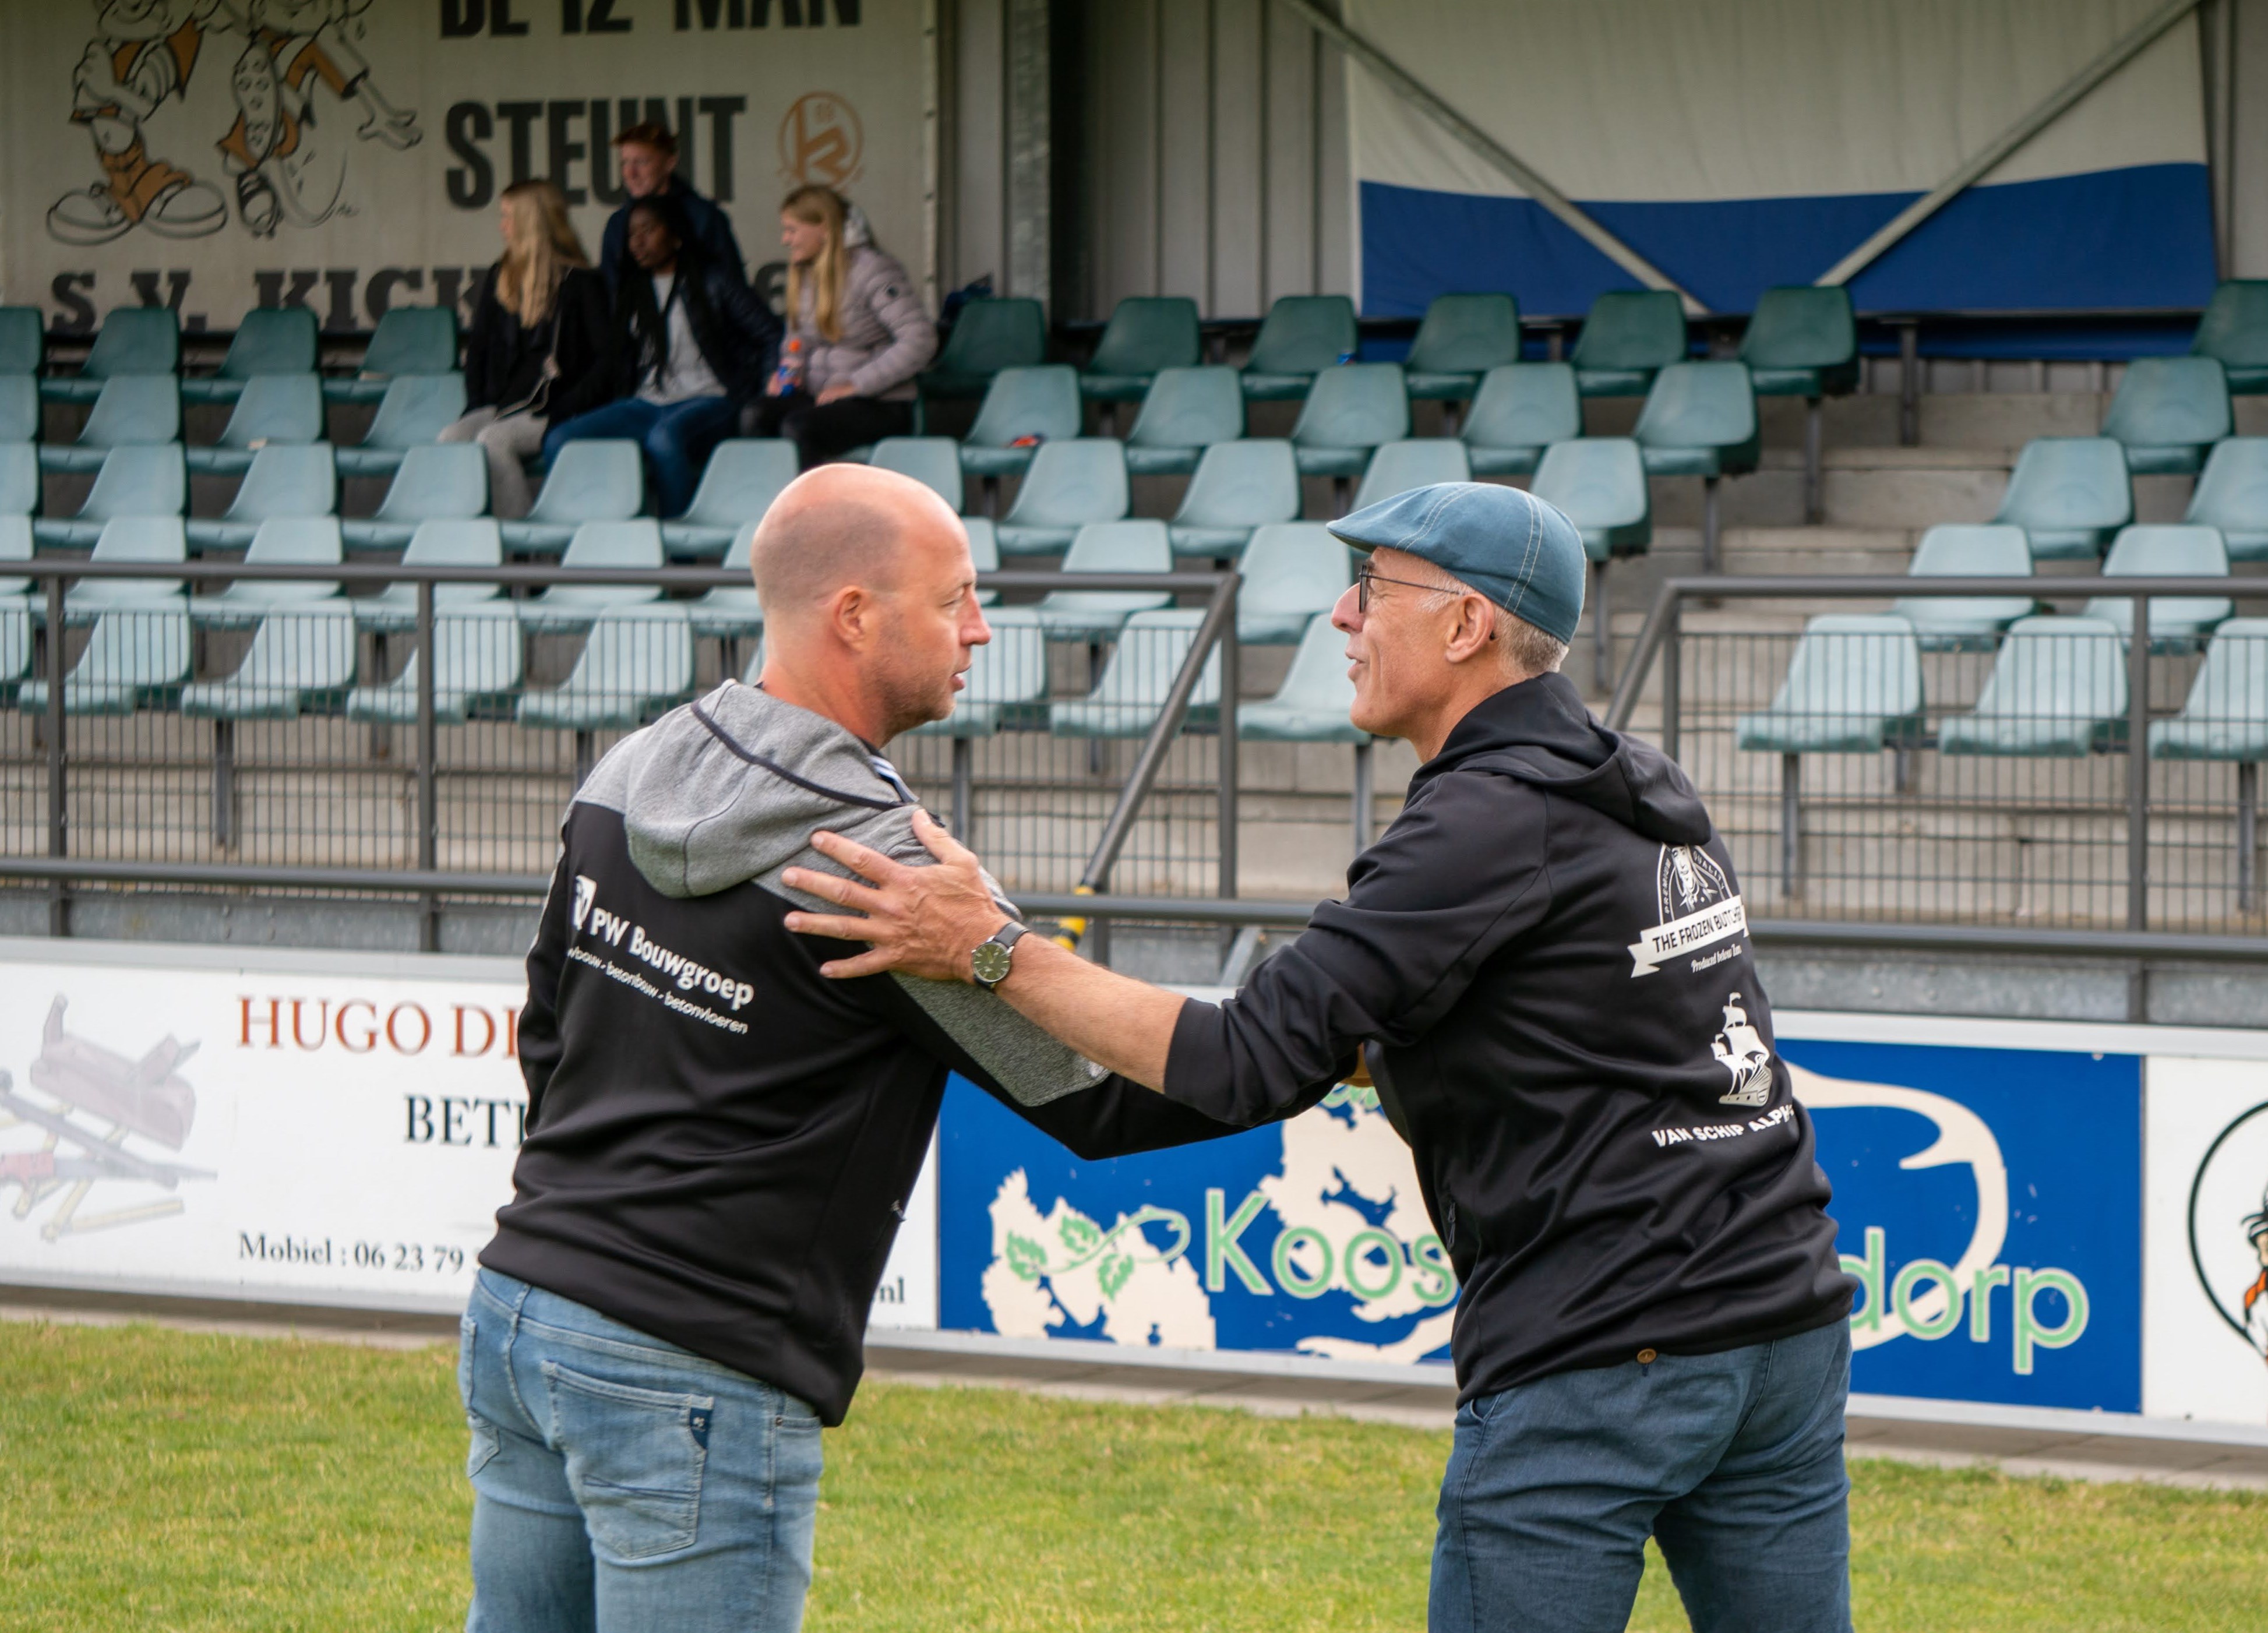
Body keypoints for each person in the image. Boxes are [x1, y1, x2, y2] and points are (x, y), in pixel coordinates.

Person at [782, 482, 1861, 1633]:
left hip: (1607, 1343)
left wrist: (985, 949)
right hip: (1780, 1329)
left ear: (1465, 627)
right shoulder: (1625, 782)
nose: (1340, 620)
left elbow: (1247, 1059)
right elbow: (1527, 1032)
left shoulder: (1481, 823)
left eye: (1371, 590)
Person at [459, 464, 1260, 1633]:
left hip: (520, 1310)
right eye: (955, 600)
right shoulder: (877, 872)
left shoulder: (625, 769)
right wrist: (1315, 1032)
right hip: (693, 1362)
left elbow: (545, 1034)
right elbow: (1098, 1101)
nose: (980, 631)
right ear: (853, 615)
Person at [541, 193, 779, 518]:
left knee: (664, 439)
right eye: (631, 235)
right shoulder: (631, 290)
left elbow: (770, 334)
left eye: (648, 230)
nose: (638, 242)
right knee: (561, 439)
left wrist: (763, 393)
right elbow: (613, 360)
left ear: (676, 235)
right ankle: (599, 536)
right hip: (647, 403)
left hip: (711, 398)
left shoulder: (714, 281)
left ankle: (677, 554)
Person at [440, 180, 613, 520]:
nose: (502, 226)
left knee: (494, 440)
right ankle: (467, 541)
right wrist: (478, 402)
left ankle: (524, 549)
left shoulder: (580, 283)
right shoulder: (500, 276)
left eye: (508, 217)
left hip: (553, 410)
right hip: (504, 404)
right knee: (451, 437)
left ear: (531, 222)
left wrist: (569, 406)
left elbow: (607, 361)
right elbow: (478, 351)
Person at [747, 185, 936, 467]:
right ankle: (770, 507)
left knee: (799, 428)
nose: (785, 240)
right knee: (756, 415)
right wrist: (789, 373)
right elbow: (797, 341)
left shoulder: (872, 269)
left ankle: (818, 511)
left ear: (824, 228)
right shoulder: (807, 272)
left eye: (792, 230)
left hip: (881, 403)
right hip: (823, 398)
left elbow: (921, 340)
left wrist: (856, 385)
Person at [597, 119, 745, 294]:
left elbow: (735, 293)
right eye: (625, 163)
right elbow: (608, 296)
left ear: (670, 163)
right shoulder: (618, 224)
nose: (630, 174)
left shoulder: (705, 217)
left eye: (642, 162)